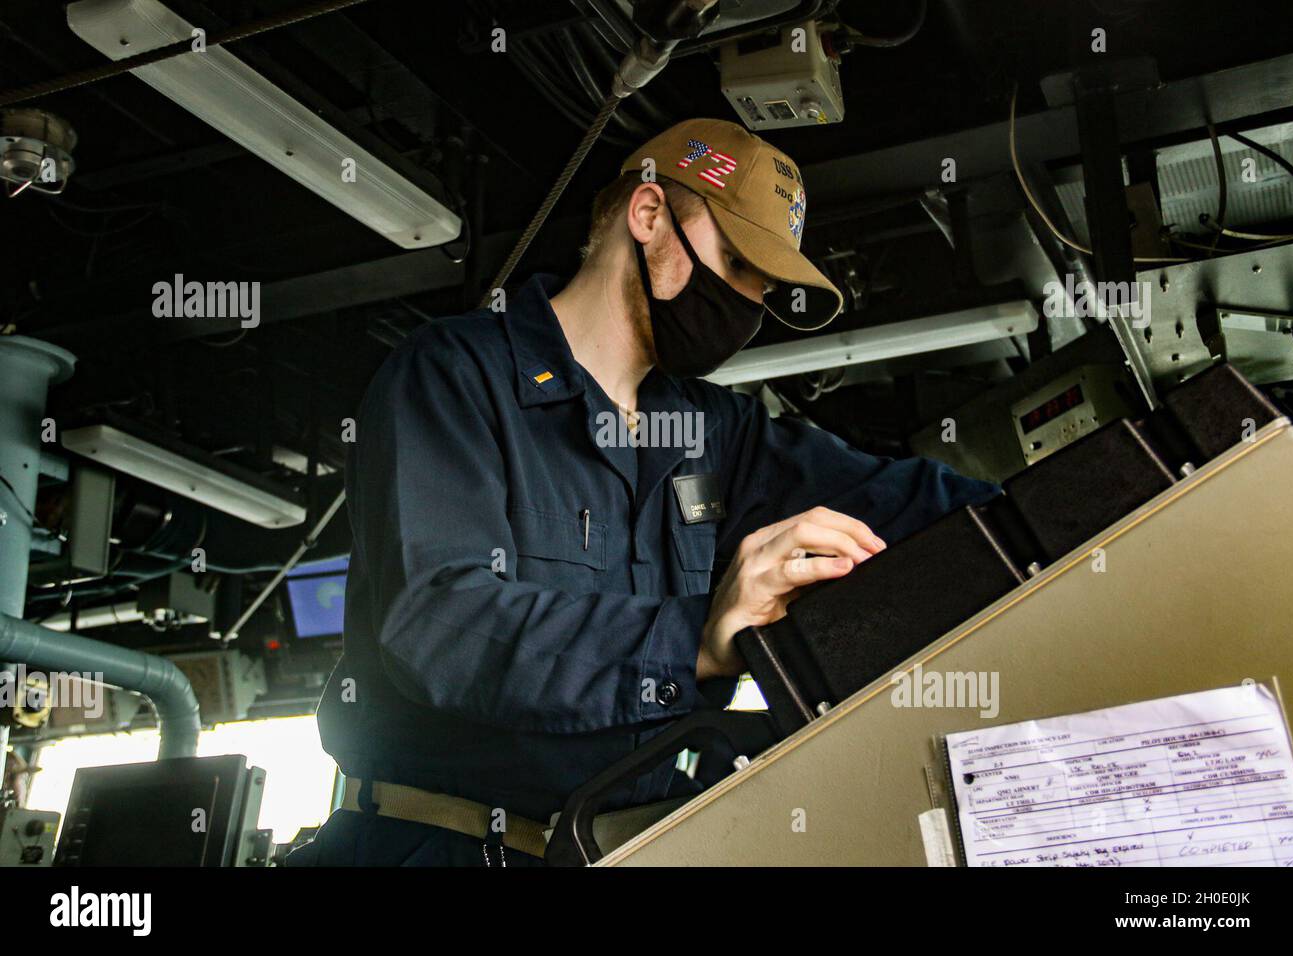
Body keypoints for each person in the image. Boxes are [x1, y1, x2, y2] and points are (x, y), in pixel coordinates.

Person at [289, 118, 998, 867]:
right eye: (737, 263)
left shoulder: (712, 431)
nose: (751, 303)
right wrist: (694, 639)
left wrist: (1099, 507)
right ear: (649, 215)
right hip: (438, 848)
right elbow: (440, 628)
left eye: (765, 284)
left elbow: (906, 503)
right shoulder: (453, 378)